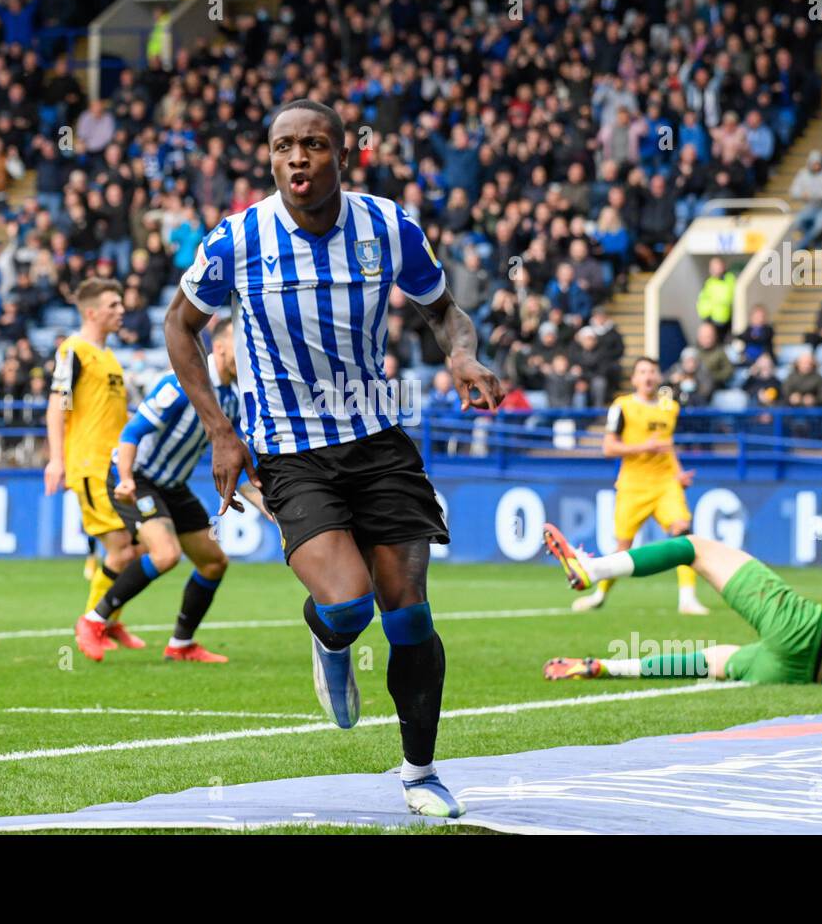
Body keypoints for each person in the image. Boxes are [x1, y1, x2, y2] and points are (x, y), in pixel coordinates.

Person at [163, 99, 503, 819]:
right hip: (290, 452)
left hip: (377, 440)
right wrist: (221, 431)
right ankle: (330, 641)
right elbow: (180, 325)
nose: (297, 159)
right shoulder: (238, 240)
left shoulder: (386, 225)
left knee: (408, 612)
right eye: (284, 145)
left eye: (313, 144)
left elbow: (442, 308)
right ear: (270, 157)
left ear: (340, 154)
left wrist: (463, 355)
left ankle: (420, 772)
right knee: (347, 604)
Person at [540, 533, 822, 684]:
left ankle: (592, 570)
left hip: (805, 630)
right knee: (716, 662)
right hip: (799, 672)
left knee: (693, 547)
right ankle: (604, 667)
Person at [76, 319, 269, 663]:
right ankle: (93, 621)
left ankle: (180, 645)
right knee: (165, 554)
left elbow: (235, 463)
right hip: (136, 476)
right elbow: (131, 433)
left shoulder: (234, 398)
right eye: (245, 353)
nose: (251, 363)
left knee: (213, 563)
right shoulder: (180, 383)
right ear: (222, 349)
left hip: (172, 486)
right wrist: (126, 480)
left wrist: (267, 505)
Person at [45, 278, 142, 652]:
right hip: (89, 465)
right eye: (113, 305)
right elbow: (58, 405)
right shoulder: (74, 351)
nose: (121, 311)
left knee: (139, 548)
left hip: (115, 468)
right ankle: (91, 623)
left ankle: (111, 619)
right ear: (91, 312)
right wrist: (57, 459)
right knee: (120, 548)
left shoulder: (109, 357)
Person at [571, 356, 707, 615]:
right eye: (642, 372)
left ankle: (687, 599)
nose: (648, 376)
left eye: (652, 371)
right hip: (633, 484)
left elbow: (667, 446)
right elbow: (609, 447)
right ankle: (599, 595)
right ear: (634, 379)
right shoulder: (622, 407)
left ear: (658, 377)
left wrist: (678, 474)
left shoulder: (669, 407)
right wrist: (644, 447)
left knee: (683, 532)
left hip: (666, 483)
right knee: (624, 547)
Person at [696, 257, 735, 340]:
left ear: (723, 266)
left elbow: (727, 297)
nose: (714, 269)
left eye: (717, 266)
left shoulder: (729, 279)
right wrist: (704, 313)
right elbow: (703, 299)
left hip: (722, 320)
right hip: (708, 318)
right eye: (712, 267)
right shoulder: (709, 282)